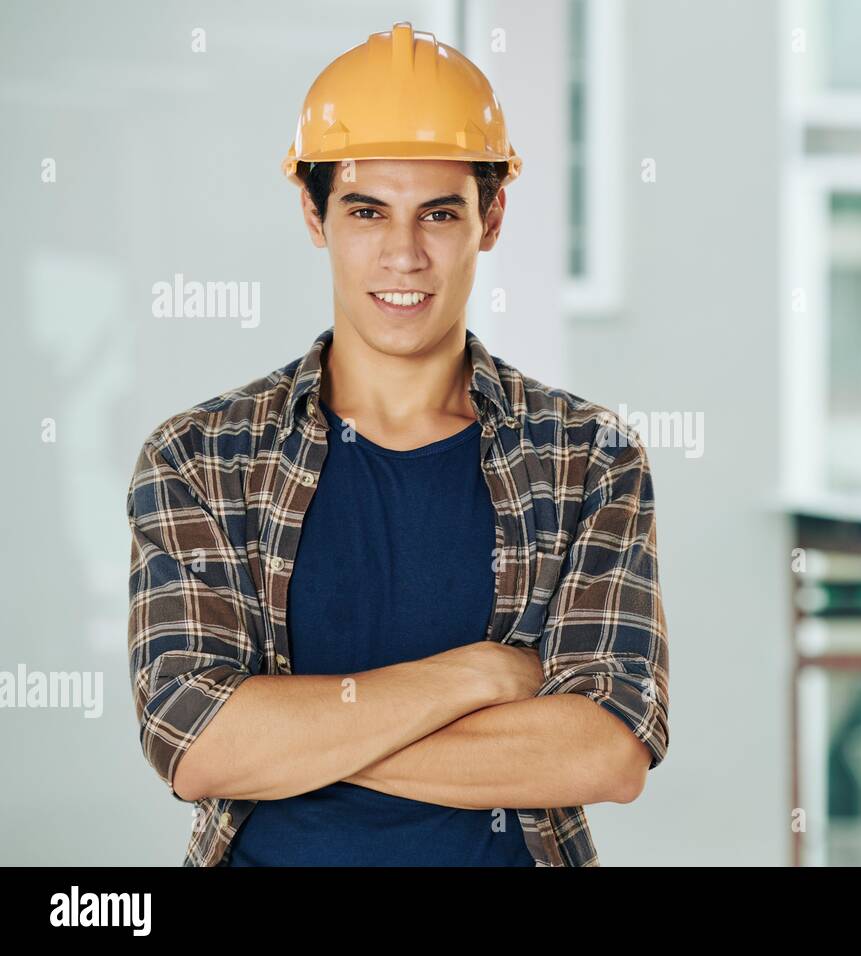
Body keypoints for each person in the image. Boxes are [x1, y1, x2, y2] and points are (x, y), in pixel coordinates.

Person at [125, 22, 668, 867]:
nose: (404, 255)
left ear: (491, 218)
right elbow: (194, 742)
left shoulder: (587, 457)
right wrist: (478, 677)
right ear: (315, 215)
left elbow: (606, 751)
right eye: (367, 211)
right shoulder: (200, 459)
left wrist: (294, 741)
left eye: (439, 214)